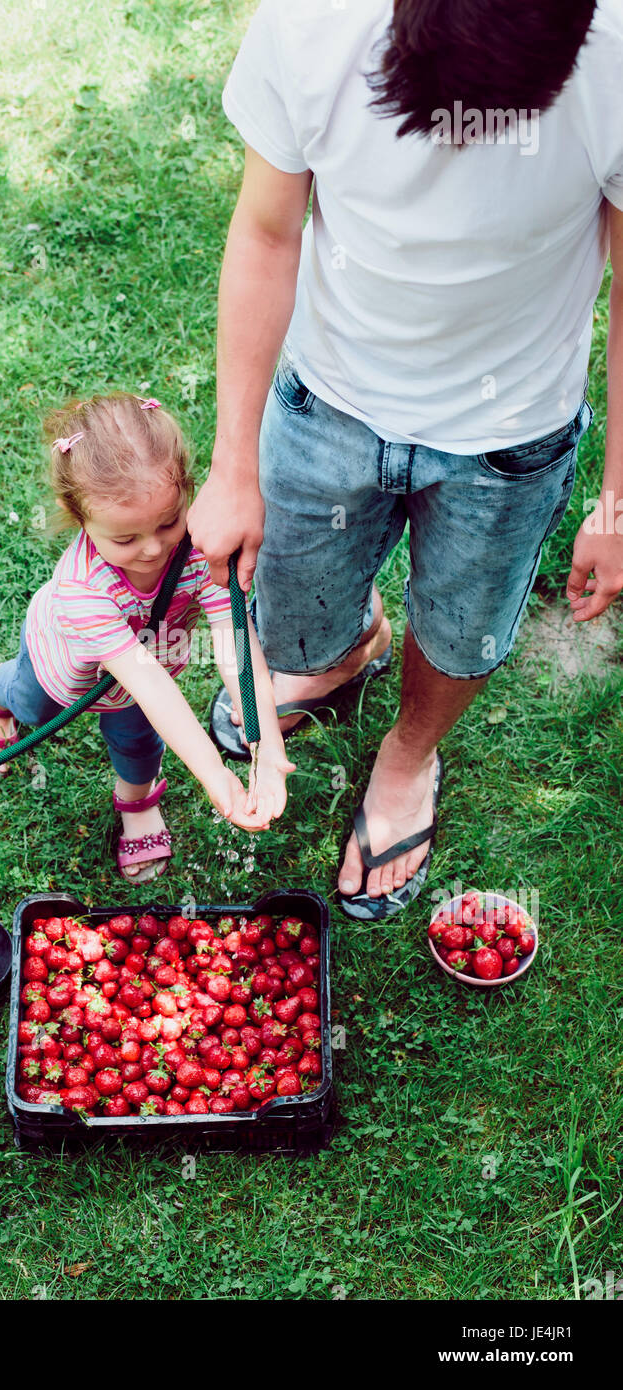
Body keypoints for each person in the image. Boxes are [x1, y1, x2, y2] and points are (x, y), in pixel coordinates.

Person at [188, 0, 623, 919]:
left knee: (462, 633)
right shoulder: (310, 22)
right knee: (293, 626)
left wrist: (616, 501)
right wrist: (232, 467)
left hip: (509, 439)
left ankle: (408, 755)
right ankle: (341, 656)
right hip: (327, 401)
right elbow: (268, 232)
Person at [0, 391, 294, 881]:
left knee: (139, 743)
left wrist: (267, 743)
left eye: (169, 522)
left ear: (188, 490)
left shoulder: (202, 548)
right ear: (77, 515)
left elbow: (235, 644)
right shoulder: (83, 590)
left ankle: (136, 804)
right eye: (125, 538)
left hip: (138, 684)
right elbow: (152, 684)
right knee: (34, 708)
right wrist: (214, 774)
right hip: (63, 669)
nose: (154, 548)